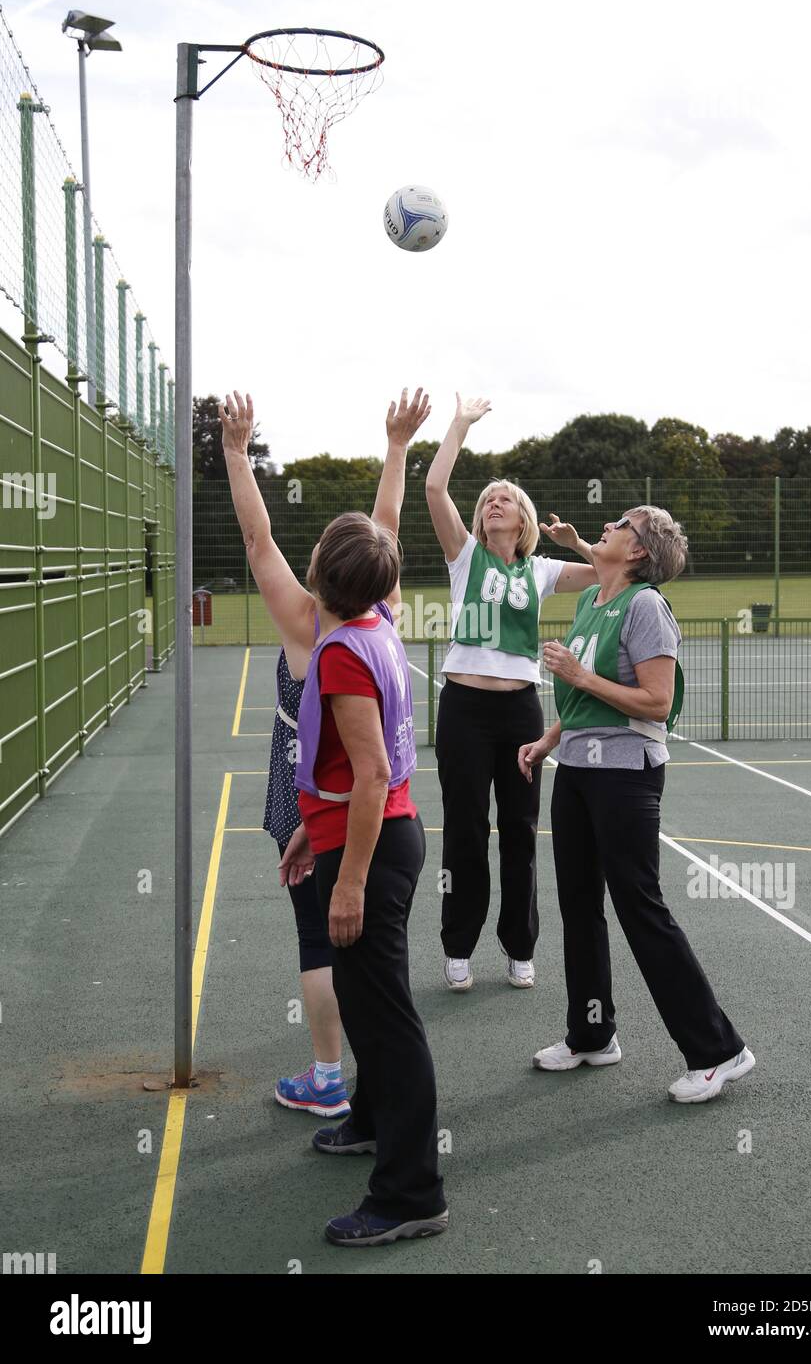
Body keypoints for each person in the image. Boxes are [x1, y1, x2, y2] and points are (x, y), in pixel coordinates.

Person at [219, 387, 430, 1118]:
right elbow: (388, 527)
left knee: (319, 936)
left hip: (322, 790)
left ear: (324, 571)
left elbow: (256, 540)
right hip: (383, 807)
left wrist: (236, 455)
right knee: (365, 956)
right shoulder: (382, 617)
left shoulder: (312, 629)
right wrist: (397, 448)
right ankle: (362, 1096)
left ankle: (326, 1077)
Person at [519, 507, 755, 1103]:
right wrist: (549, 740)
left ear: (640, 551)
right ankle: (592, 1033)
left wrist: (580, 674)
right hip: (577, 770)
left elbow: (656, 701)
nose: (609, 524)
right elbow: (580, 704)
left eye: (622, 522)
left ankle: (718, 1050)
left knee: (639, 908)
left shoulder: (645, 606)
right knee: (578, 904)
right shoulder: (592, 602)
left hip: (625, 776)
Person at [279, 510, 447, 1247]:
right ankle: (373, 1121)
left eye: (318, 545)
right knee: (368, 995)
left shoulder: (345, 651)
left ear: (328, 574)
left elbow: (373, 774)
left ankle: (411, 1193)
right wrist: (304, 834)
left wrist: (346, 882)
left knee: (385, 1019)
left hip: (372, 848)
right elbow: (353, 776)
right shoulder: (375, 621)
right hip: (371, 837)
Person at [425, 393, 602, 992]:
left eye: (505, 499)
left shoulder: (542, 570)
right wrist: (459, 424)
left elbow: (608, 570)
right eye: (487, 501)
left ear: (523, 519)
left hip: (521, 709)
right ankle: (458, 945)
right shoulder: (465, 554)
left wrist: (577, 542)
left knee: (521, 832)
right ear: (479, 521)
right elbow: (433, 489)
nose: (494, 503)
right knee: (466, 829)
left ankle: (520, 947)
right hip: (465, 710)